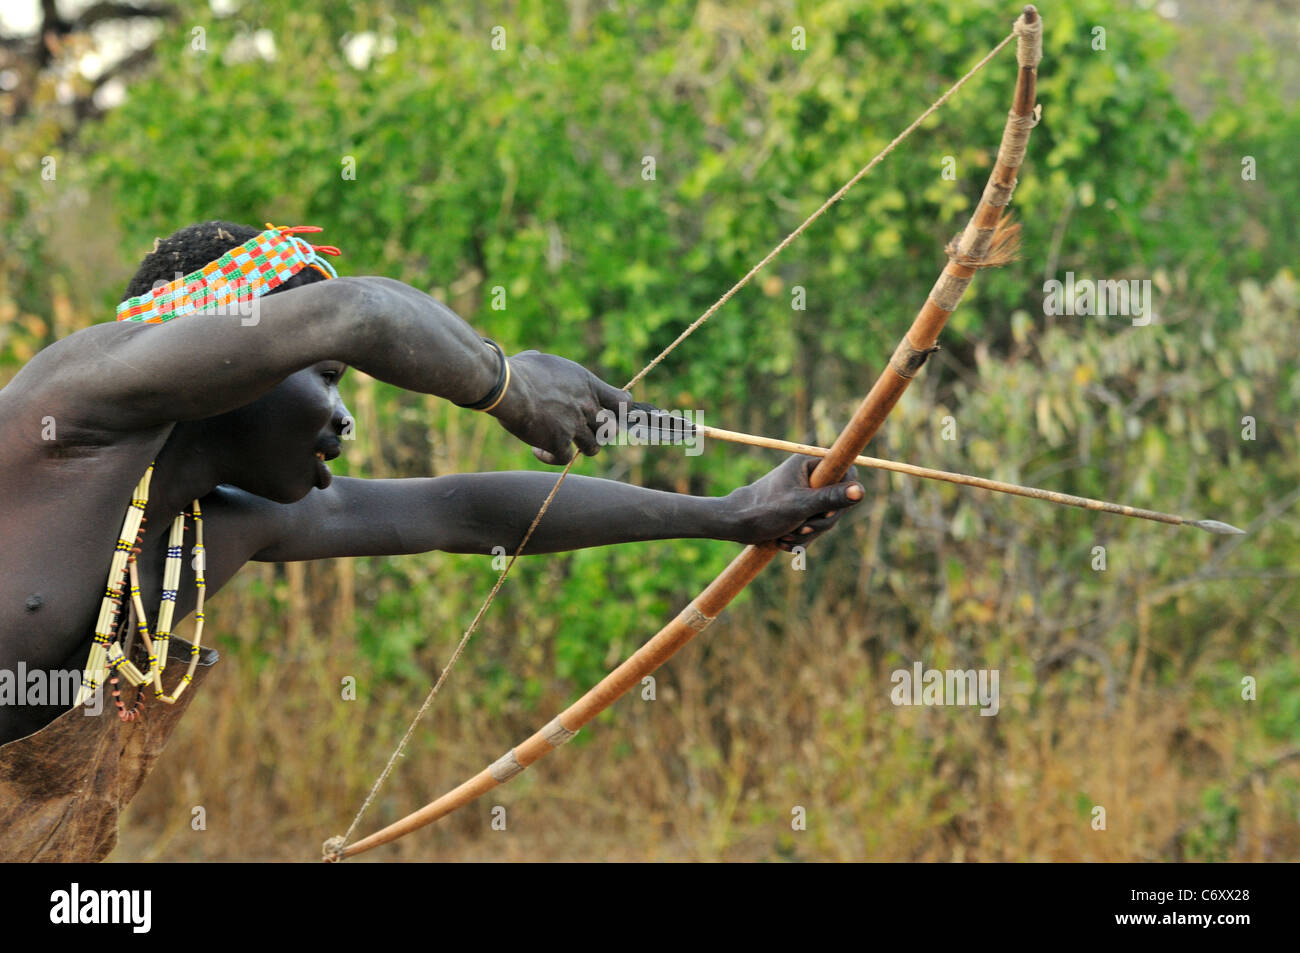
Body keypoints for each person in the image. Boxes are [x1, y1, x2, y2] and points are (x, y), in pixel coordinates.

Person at [0, 220, 862, 859]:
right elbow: (363, 310)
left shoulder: (212, 526)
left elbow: (465, 514)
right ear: (234, 358)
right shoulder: (73, 410)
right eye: (327, 378)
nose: (342, 416)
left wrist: (728, 515)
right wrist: (509, 386)